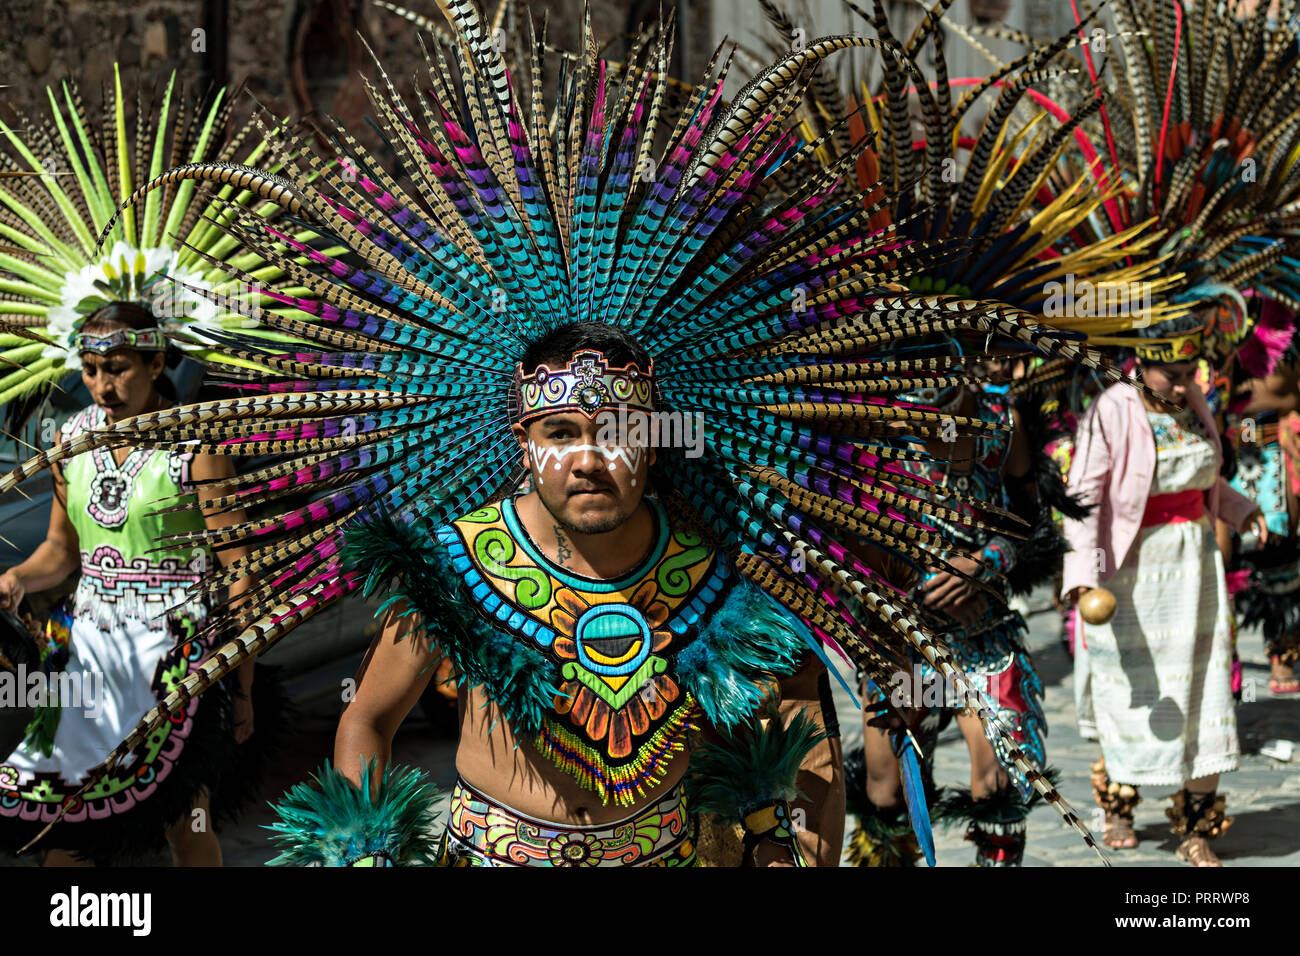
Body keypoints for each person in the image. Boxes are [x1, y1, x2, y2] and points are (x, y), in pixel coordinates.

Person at [0, 302, 268, 865]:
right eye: (92, 370)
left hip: (175, 660)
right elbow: (61, 551)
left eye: (119, 367)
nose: (102, 385)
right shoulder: (71, 441)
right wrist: (18, 578)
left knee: (184, 821)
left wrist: (240, 687)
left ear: (156, 362)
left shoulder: (197, 451)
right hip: (89, 656)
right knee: (61, 827)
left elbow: (241, 572)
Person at [1061, 314, 1269, 866]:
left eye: (1186, 372)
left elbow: (1201, 476)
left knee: (1202, 693)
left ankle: (1197, 829)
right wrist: (1082, 577)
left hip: (1195, 575)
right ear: (1139, 364)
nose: (1181, 385)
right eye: (1170, 374)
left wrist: (1240, 510)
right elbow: (1082, 498)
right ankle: (1118, 806)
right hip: (1129, 577)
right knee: (1130, 690)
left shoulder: (1193, 403)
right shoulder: (1112, 411)